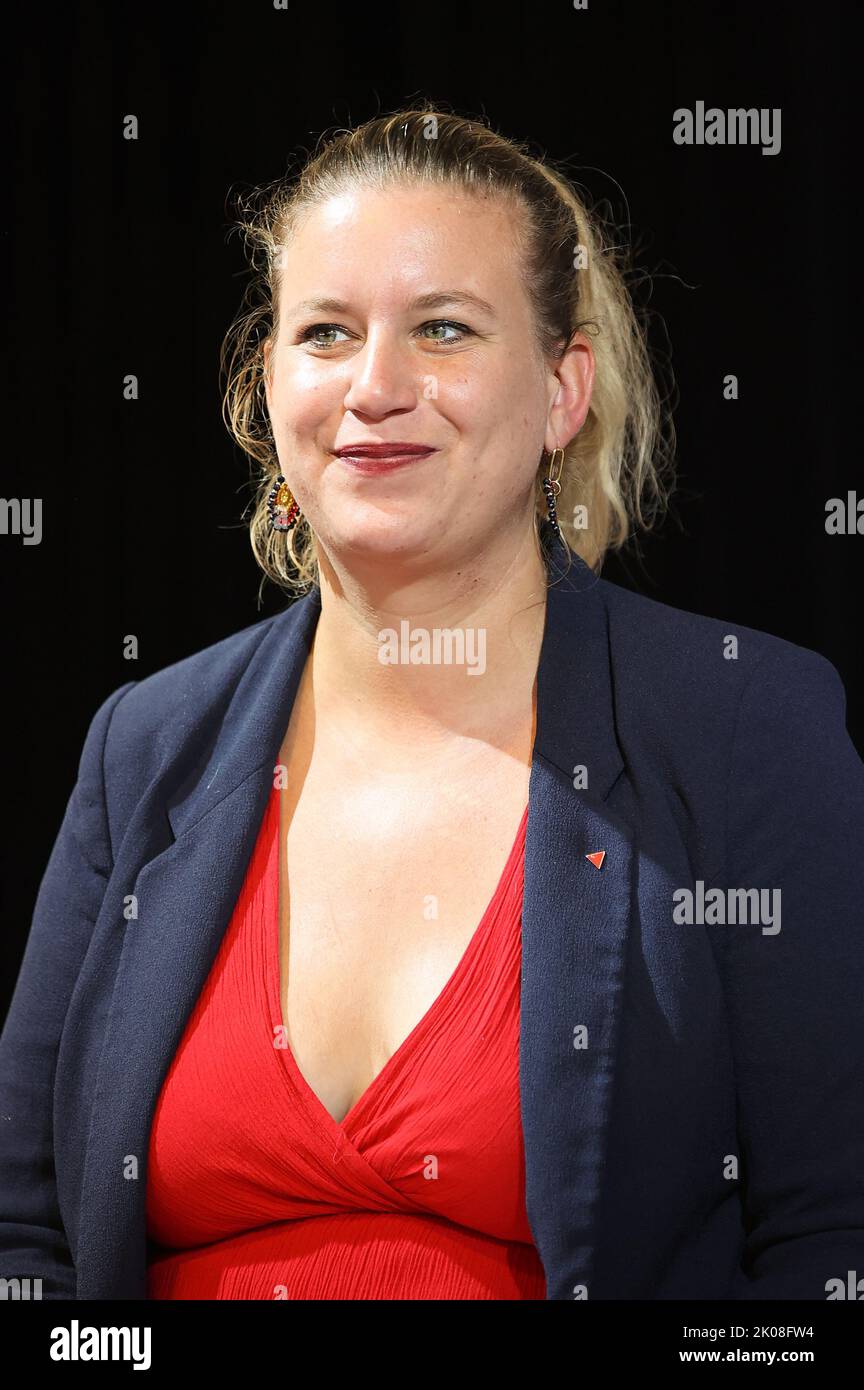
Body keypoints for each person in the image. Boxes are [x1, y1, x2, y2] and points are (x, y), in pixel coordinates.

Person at [1, 103, 862, 1302]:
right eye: (327, 334)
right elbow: (25, 1233)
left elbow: (832, 1239)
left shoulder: (743, 722)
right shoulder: (142, 746)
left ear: (565, 391)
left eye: (444, 330)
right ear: (270, 385)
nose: (377, 387)